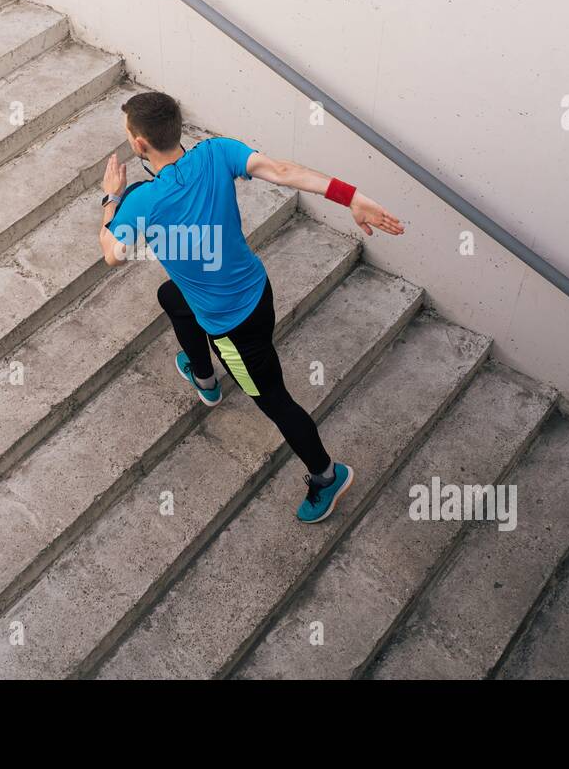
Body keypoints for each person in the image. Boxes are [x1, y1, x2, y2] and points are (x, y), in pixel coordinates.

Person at [98, 91, 405, 523]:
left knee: (273, 399)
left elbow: (112, 252)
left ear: (139, 145)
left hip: (231, 327)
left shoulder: (141, 201)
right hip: (256, 289)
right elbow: (282, 171)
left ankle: (326, 475)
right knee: (171, 295)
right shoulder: (217, 151)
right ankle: (204, 378)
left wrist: (110, 199)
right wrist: (350, 196)